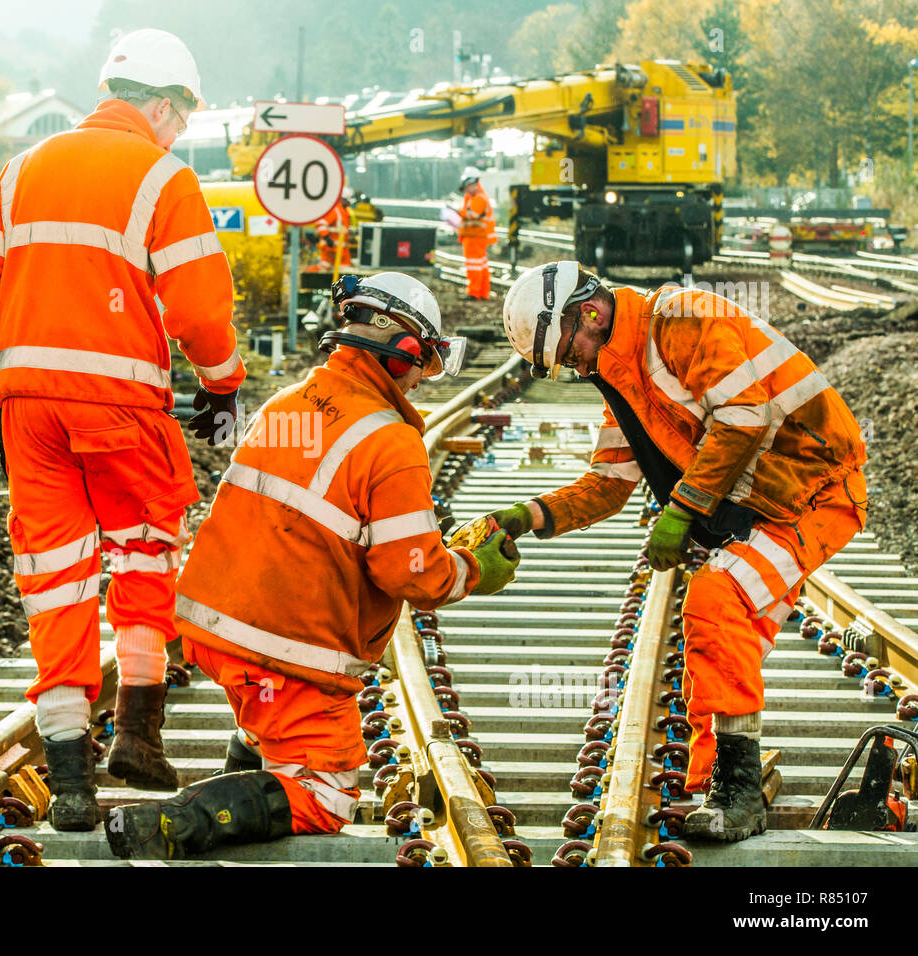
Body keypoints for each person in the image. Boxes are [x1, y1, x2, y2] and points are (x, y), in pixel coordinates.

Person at [105, 272, 522, 860]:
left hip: (215, 626)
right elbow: (411, 573)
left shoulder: (287, 404)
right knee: (325, 792)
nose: (422, 379)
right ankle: (167, 823)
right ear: (403, 351)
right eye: (424, 363)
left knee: (267, 728)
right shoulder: (391, 442)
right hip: (286, 650)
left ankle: (238, 781)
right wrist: (472, 569)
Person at [0, 28, 245, 831]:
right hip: (120, 405)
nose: (179, 132)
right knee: (145, 548)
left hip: (28, 409)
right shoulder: (164, 177)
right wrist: (222, 385)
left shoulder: (20, 171)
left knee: (54, 574)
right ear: (163, 105)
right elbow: (199, 311)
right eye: (182, 117)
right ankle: (139, 738)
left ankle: (71, 778)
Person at [488, 260, 867, 842]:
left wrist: (682, 509)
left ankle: (739, 792)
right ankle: (715, 778)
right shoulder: (623, 379)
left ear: (589, 313)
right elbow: (608, 486)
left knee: (716, 599)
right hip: (766, 501)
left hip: (815, 491)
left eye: (569, 353)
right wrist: (525, 517)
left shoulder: (682, 318)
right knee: (720, 639)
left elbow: (743, 418)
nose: (575, 367)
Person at [456, 169, 495, 300]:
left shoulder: (478, 198)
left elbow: (472, 215)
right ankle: (482, 292)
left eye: (467, 187)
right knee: (480, 265)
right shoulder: (476, 197)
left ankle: (474, 292)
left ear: (473, 183)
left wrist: (457, 212)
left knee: (474, 265)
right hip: (476, 236)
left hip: (474, 236)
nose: (466, 190)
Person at [313, 193, 352, 273]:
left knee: (344, 271)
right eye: (347, 201)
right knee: (324, 269)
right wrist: (327, 238)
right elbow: (320, 225)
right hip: (330, 249)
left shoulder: (345, 212)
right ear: (341, 199)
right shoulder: (335, 210)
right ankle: (307, 276)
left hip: (341, 250)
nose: (349, 203)